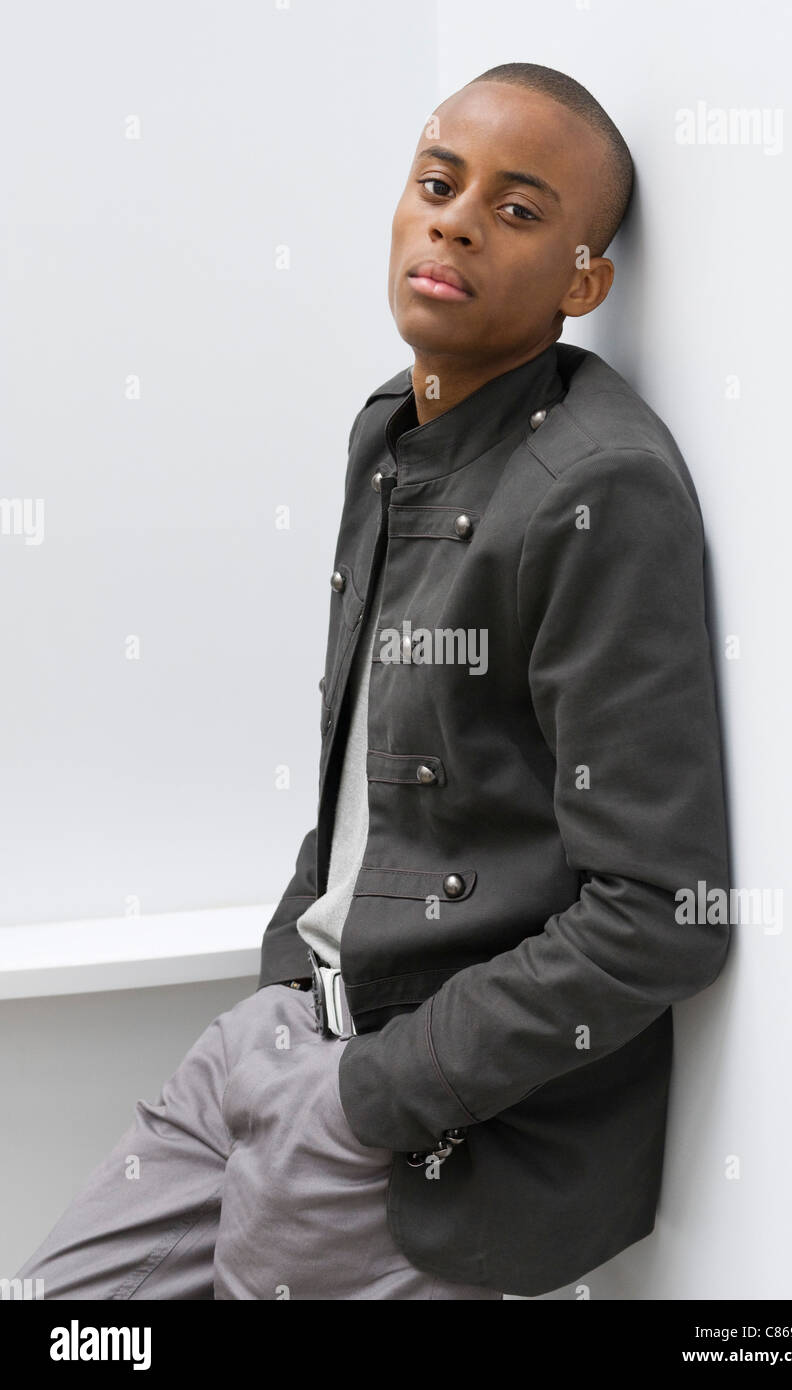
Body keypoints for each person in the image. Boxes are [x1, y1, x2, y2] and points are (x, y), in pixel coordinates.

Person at [13, 61, 730, 1301]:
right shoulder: (394, 427)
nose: (453, 218)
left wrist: (370, 1096)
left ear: (585, 280)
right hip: (277, 1038)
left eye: (516, 209)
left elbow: (662, 908)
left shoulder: (597, 488)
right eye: (438, 182)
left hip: (401, 1121)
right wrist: (287, 991)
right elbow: (366, 774)